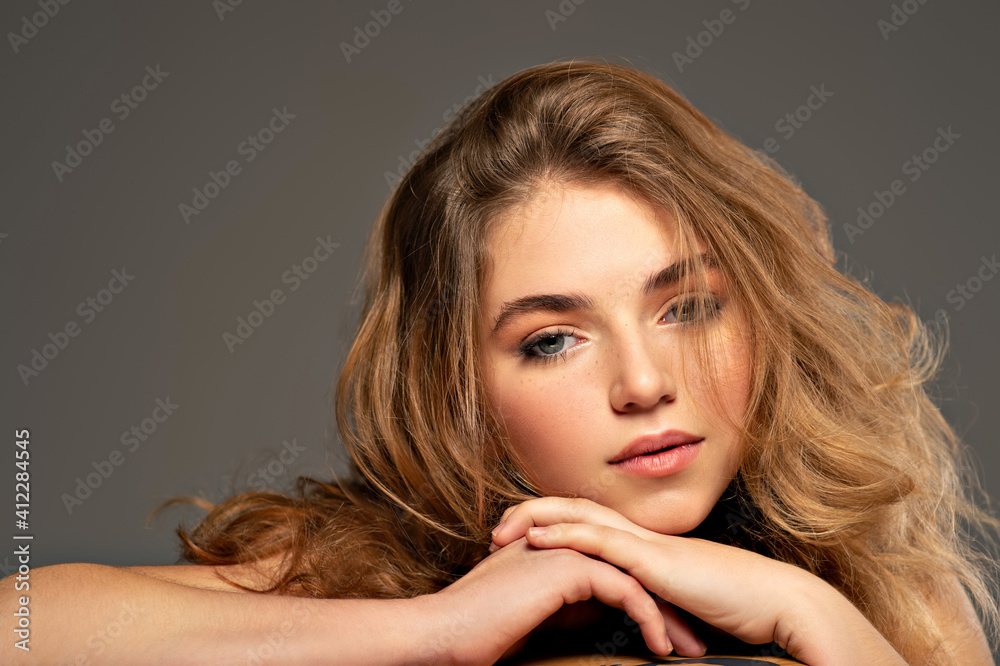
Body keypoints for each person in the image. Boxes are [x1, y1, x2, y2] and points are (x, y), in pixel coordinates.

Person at [4, 59, 998, 665]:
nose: (644, 383)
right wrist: (432, 632)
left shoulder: (873, 578)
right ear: (460, 387)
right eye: (552, 338)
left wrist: (803, 609)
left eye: (688, 307)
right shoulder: (370, 572)